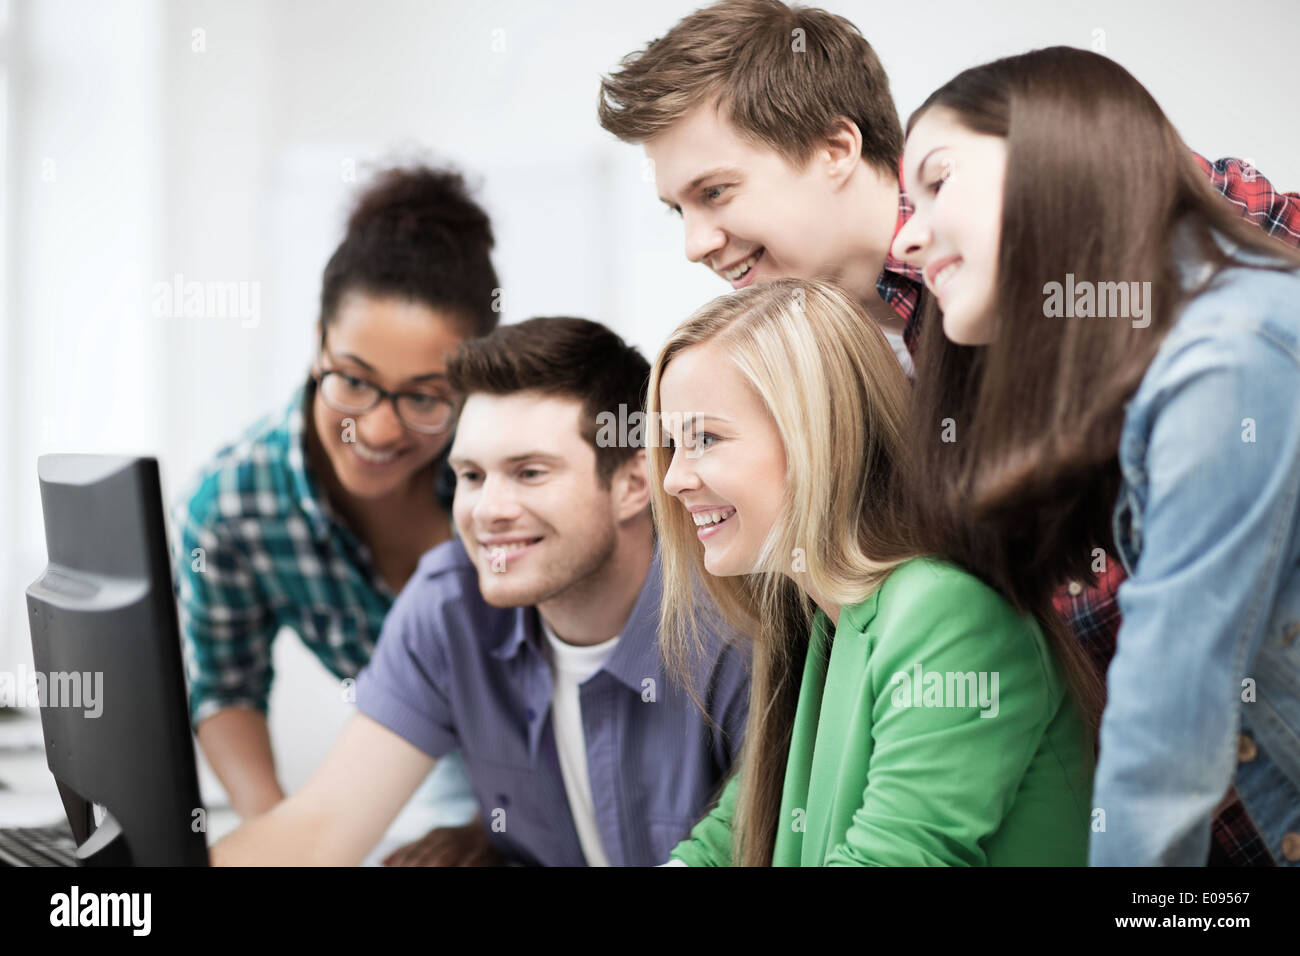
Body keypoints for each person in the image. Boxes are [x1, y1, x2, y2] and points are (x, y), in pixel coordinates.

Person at [598, 0, 1300, 865]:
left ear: (836, 148)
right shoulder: (832, 375)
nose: (697, 243)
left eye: (716, 192)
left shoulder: (1048, 220)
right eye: (677, 210)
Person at [889, 46, 1300, 866]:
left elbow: (1167, 729)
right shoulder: (1165, 365)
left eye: (938, 182)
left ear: (1058, 153)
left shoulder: (1228, 354)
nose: (906, 239)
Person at [209, 317, 750, 866]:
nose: (487, 511)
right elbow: (321, 827)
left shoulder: (735, 628)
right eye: (471, 475)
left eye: (530, 472)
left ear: (634, 483)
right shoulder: (449, 605)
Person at [650, 279, 1094, 866]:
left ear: (818, 435)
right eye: (672, 445)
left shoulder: (944, 611)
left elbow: (893, 857)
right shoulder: (818, 619)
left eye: (705, 438)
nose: (675, 479)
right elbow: (733, 831)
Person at [172, 165, 492, 859]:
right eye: (352, 380)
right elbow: (225, 684)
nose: (376, 431)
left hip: (549, 766)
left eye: (424, 397)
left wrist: (493, 830)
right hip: (409, 760)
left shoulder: (515, 476)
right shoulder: (234, 504)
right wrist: (273, 823)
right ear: (318, 341)